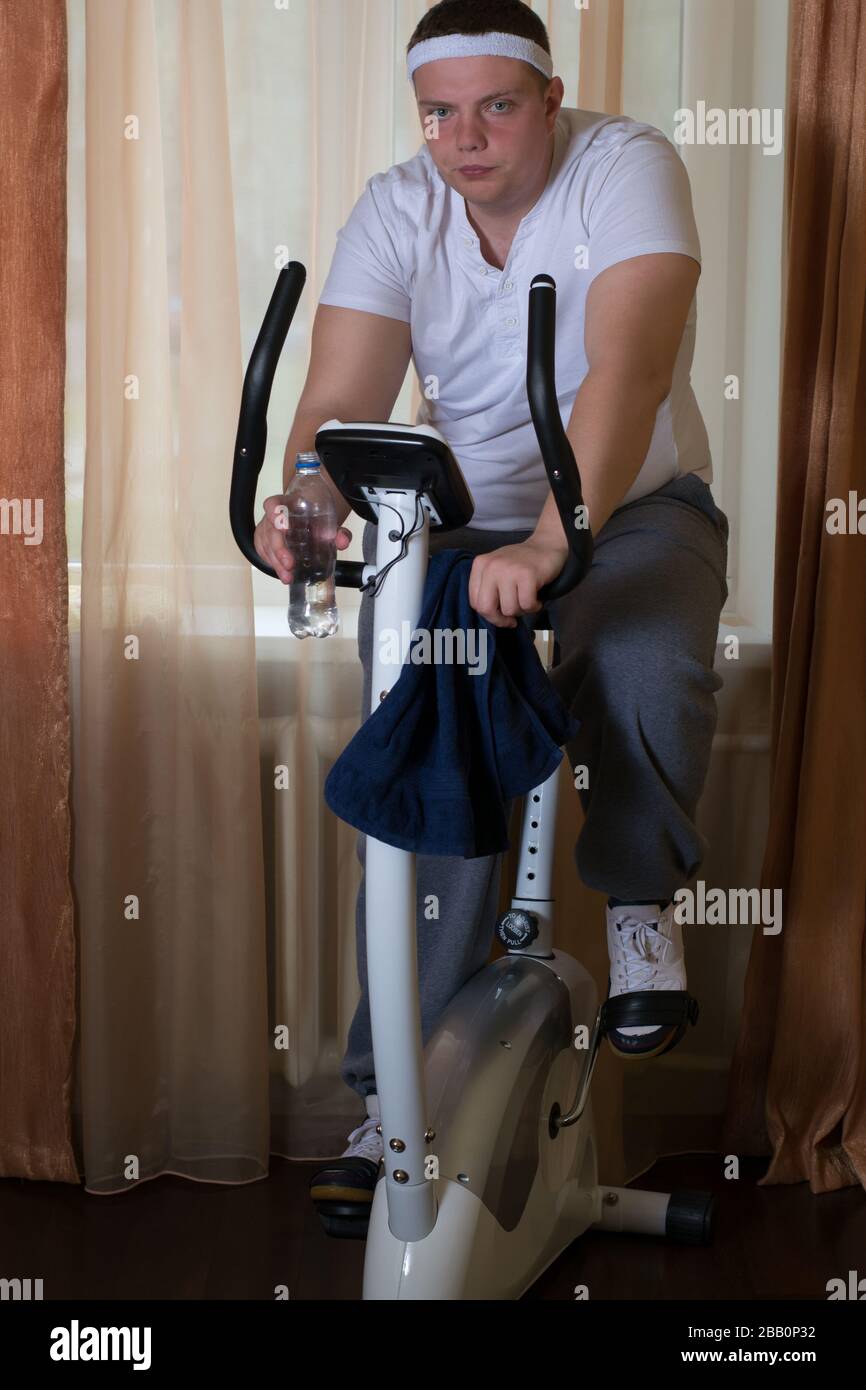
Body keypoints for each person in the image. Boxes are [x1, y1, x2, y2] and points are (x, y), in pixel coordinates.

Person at [253, 0, 729, 1214]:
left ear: (548, 97)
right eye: (439, 113)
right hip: (460, 524)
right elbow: (336, 401)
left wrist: (555, 540)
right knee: (427, 755)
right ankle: (388, 1100)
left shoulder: (624, 170)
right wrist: (307, 500)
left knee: (641, 654)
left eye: (495, 107)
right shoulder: (396, 208)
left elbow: (625, 370)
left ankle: (634, 910)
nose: (464, 139)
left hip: (629, 509)